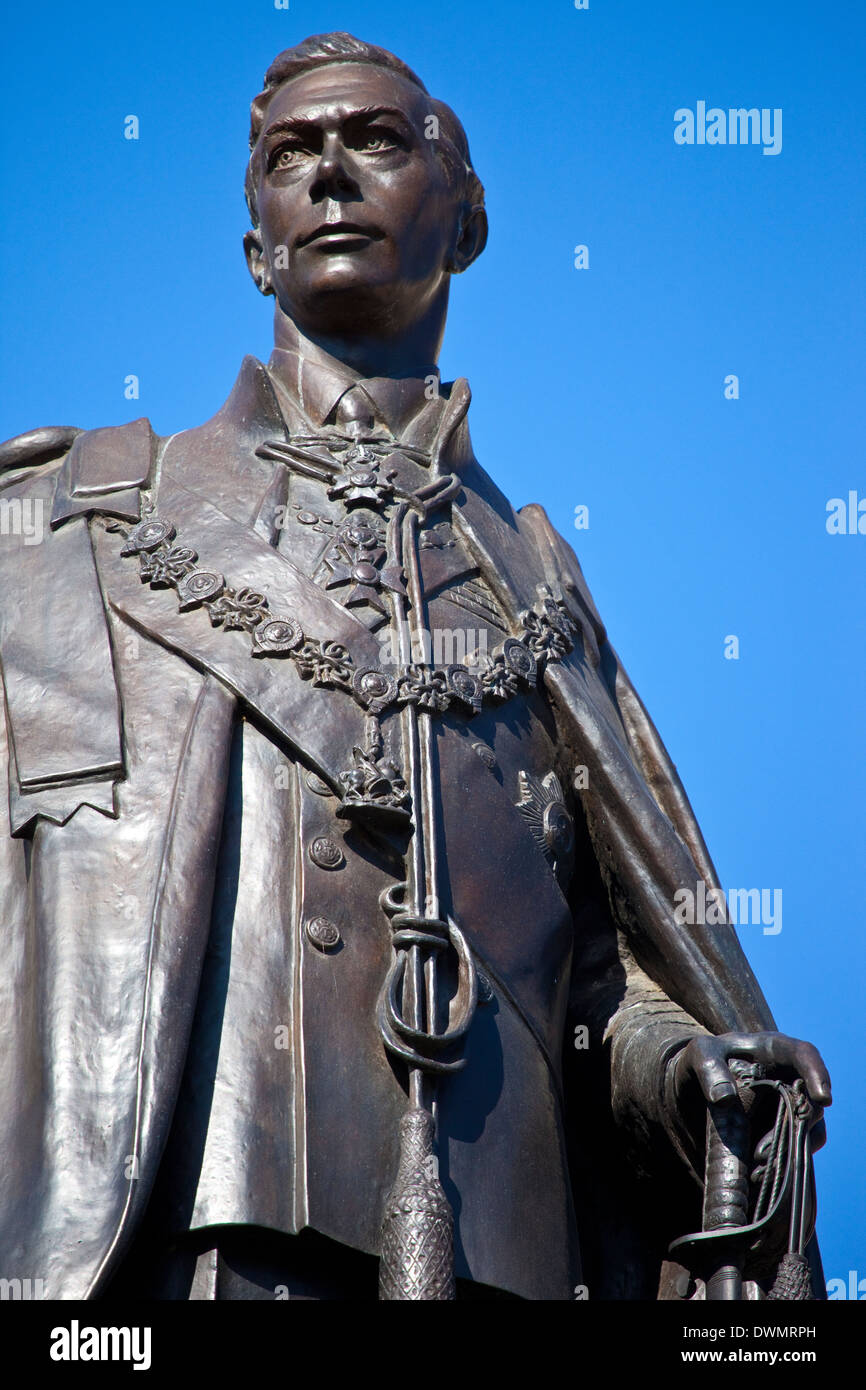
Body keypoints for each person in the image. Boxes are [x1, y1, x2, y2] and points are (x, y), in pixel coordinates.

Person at [0, 32, 831, 1301]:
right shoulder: (76, 522)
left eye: (376, 142)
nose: (328, 174)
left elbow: (598, 982)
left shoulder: (539, 589)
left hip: (505, 1259)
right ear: (254, 247)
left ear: (464, 222)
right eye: (291, 154)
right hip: (199, 1240)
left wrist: (682, 1069)